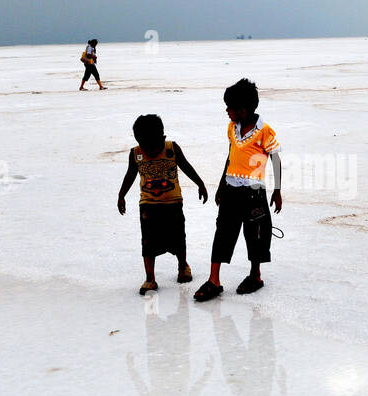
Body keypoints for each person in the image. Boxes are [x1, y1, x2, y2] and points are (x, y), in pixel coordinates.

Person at [194, 78, 282, 301]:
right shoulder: (232, 128)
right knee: (222, 232)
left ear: (242, 110)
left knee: (255, 235)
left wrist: (277, 190)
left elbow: (276, 160)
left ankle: (256, 275)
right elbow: (231, 156)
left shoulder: (264, 131)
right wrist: (222, 185)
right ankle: (214, 279)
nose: (226, 111)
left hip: (254, 193)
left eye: (229, 107)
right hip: (231, 191)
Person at [117, 114, 208, 295]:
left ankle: (183, 266)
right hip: (148, 204)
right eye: (145, 146)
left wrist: (200, 184)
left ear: (162, 138)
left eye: (153, 146)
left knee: (178, 237)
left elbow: (186, 166)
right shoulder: (136, 154)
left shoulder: (171, 149)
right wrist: (121, 195)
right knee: (148, 241)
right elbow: (130, 175)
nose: (149, 151)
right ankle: (150, 278)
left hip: (173, 202)